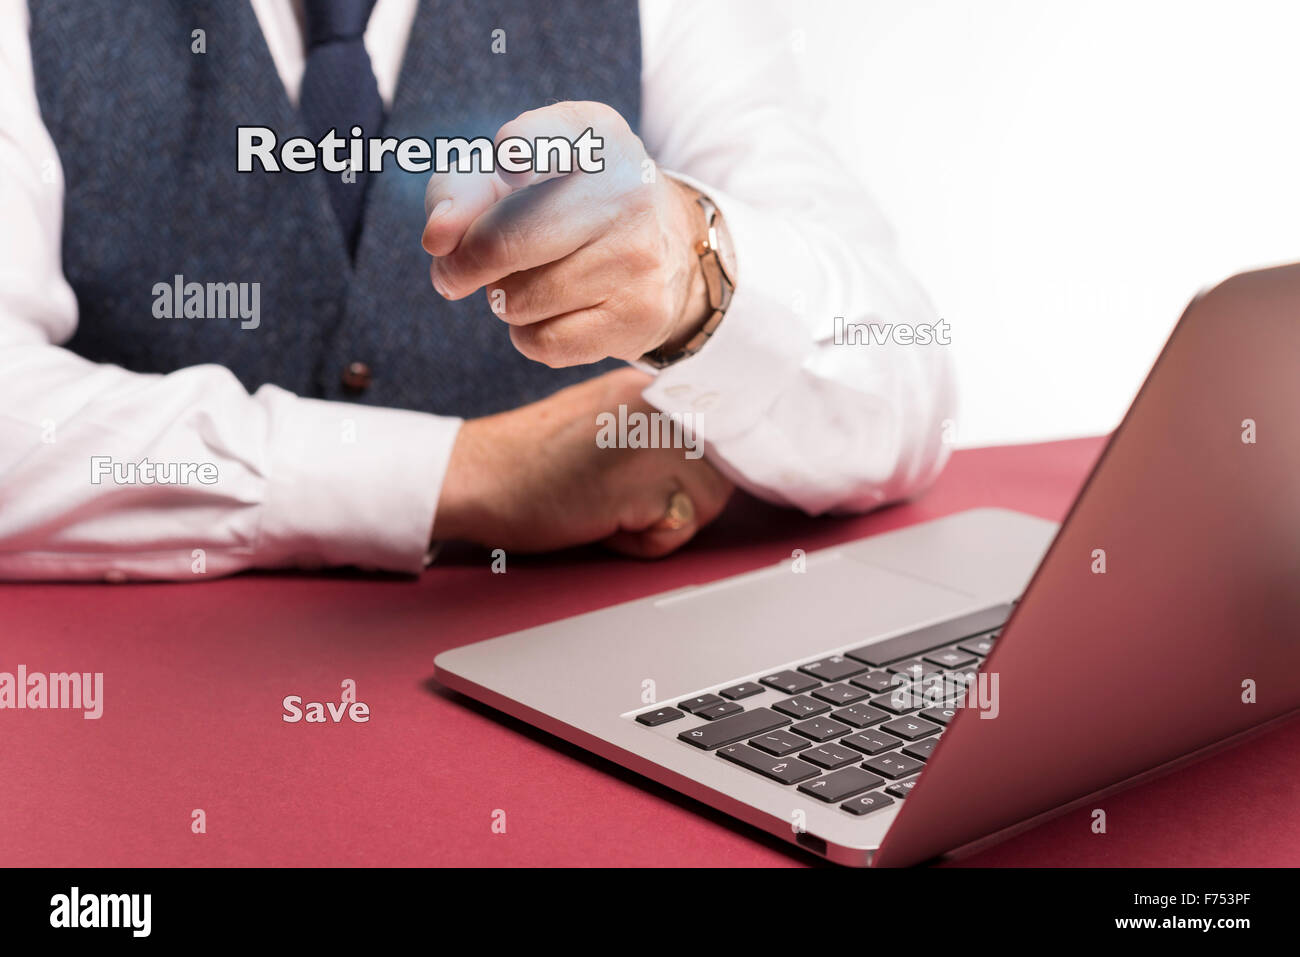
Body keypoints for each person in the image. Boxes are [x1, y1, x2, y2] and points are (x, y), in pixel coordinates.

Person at [0, 0, 954, 580]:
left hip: (559, 711)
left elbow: (905, 378)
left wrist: (695, 272)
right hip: (148, 732)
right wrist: (466, 474)